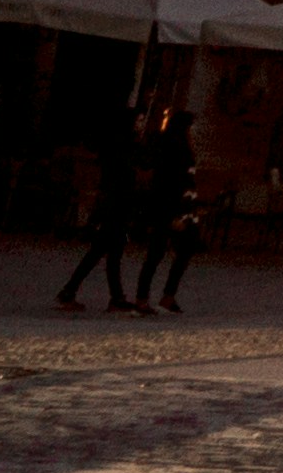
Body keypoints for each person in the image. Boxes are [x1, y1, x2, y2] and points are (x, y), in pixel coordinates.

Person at [53, 118, 147, 314]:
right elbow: (122, 182)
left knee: (104, 253)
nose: (140, 125)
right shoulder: (124, 152)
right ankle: (105, 297)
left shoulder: (118, 151)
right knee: (107, 253)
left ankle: (86, 293)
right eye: (137, 122)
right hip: (117, 209)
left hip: (114, 209)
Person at [131, 97, 204, 320]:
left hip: (179, 209)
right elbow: (173, 183)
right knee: (157, 253)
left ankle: (164, 296)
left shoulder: (175, 146)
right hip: (171, 208)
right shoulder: (176, 149)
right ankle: (146, 299)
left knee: (178, 250)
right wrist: (177, 213)